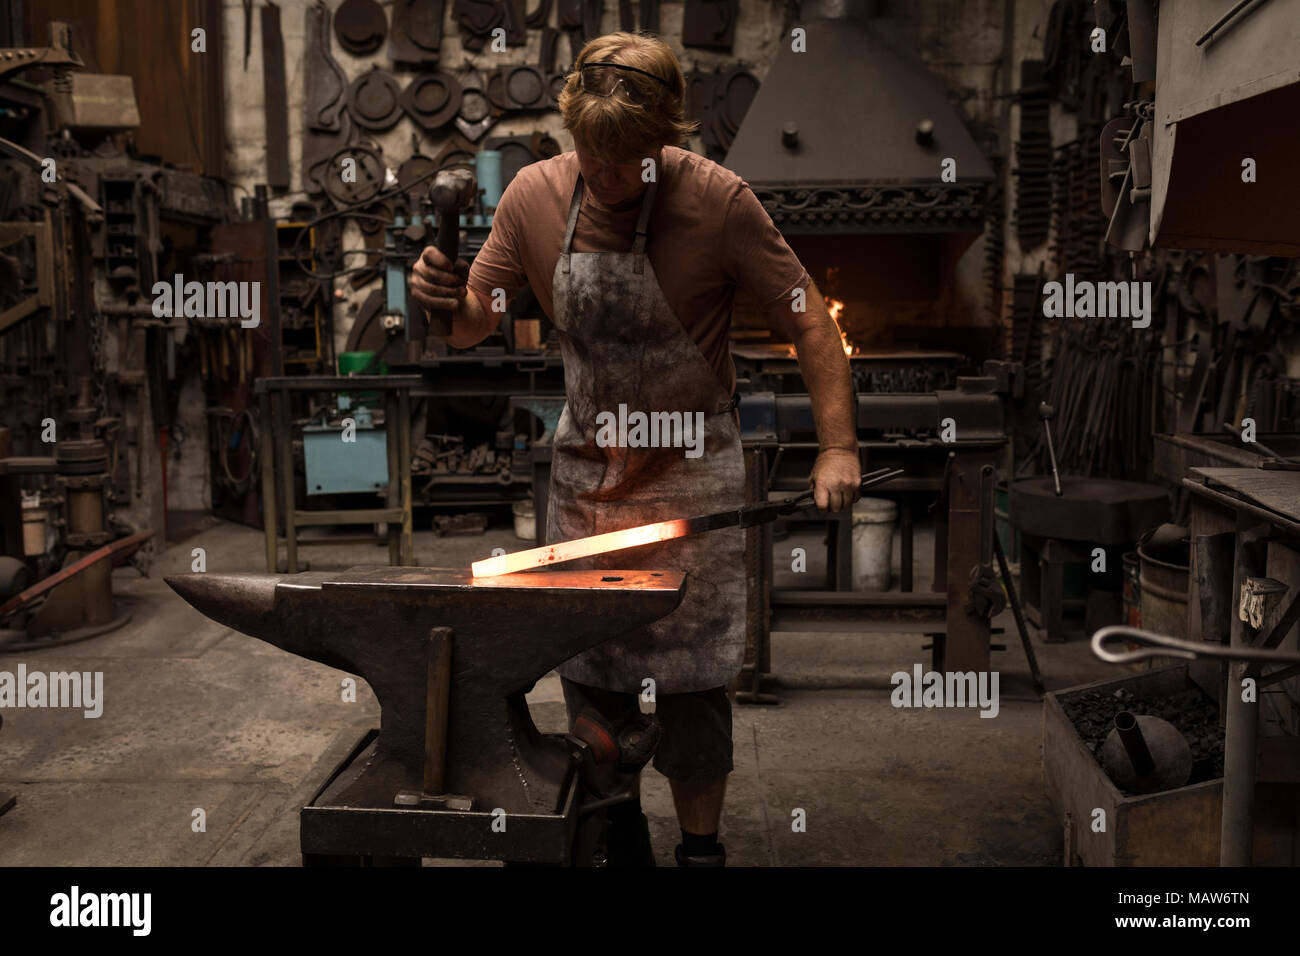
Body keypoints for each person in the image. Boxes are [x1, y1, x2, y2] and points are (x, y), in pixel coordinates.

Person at [411, 31, 860, 867]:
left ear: (669, 139)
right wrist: (444, 299)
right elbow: (477, 321)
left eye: (629, 161)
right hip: (589, 480)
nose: (609, 177)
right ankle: (617, 833)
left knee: (691, 692)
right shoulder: (535, 197)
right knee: (591, 672)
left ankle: (700, 852)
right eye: (593, 155)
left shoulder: (720, 201)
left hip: (696, 482)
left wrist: (838, 446)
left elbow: (806, 316)